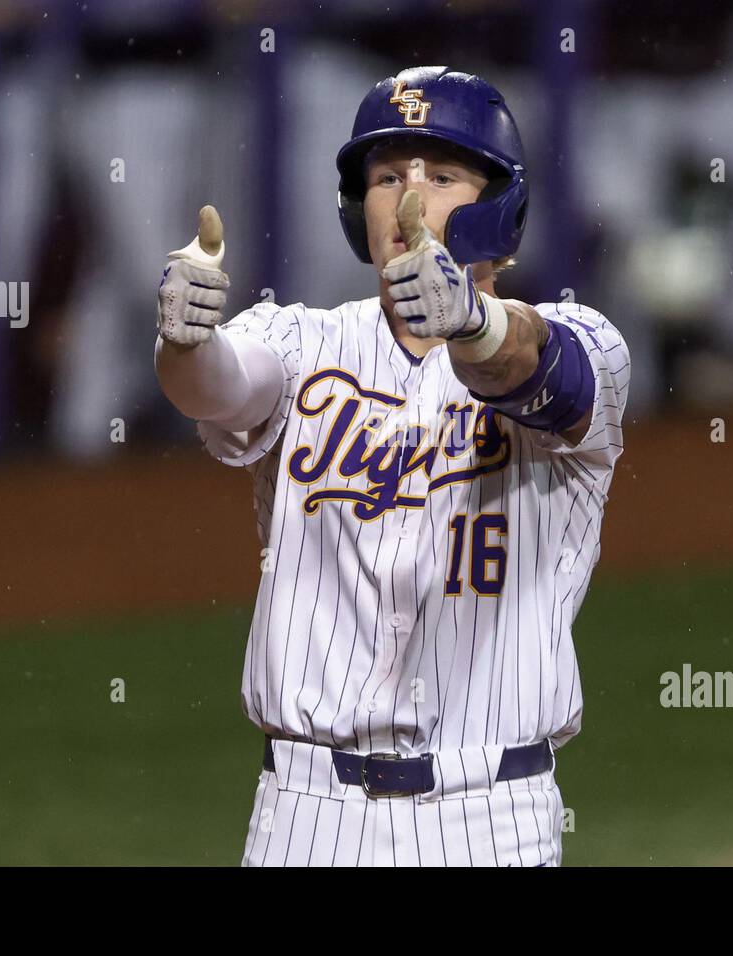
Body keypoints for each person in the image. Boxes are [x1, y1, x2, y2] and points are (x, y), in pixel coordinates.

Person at [154, 66, 630, 866]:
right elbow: (219, 387)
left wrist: (469, 321)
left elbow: (532, 369)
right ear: (358, 208)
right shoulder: (303, 343)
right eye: (386, 176)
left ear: (497, 203)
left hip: (491, 815)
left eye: (441, 174)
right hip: (307, 814)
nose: (408, 195)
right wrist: (183, 339)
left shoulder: (588, 340)